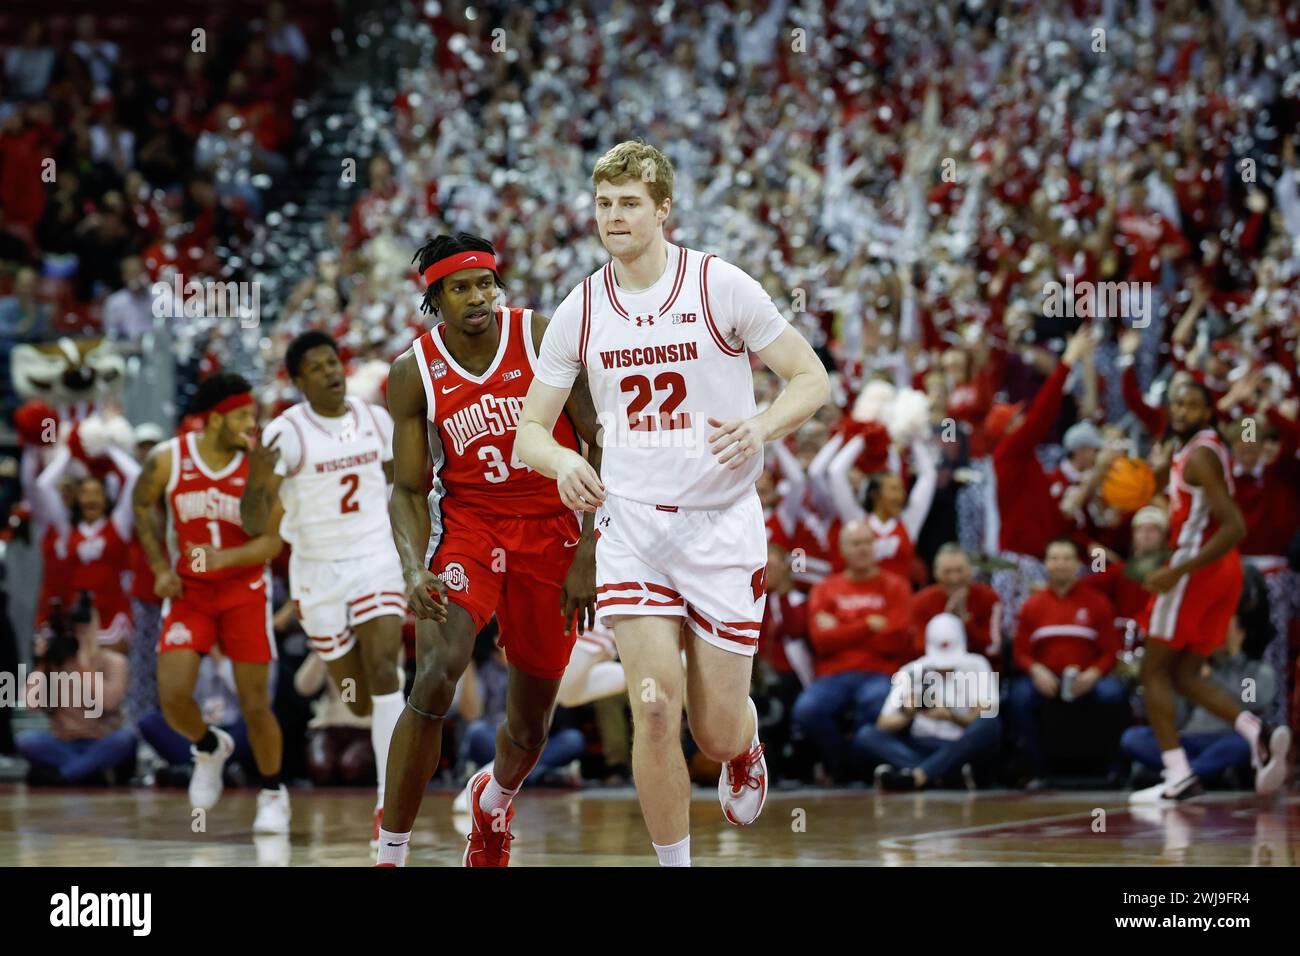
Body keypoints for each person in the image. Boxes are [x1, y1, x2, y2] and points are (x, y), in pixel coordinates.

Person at [517, 141, 829, 866]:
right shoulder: (582, 307)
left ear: (663, 209)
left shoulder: (719, 285)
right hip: (632, 530)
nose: (614, 216)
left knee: (714, 732)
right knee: (655, 707)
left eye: (629, 203)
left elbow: (811, 379)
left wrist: (758, 427)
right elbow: (530, 429)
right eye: (603, 204)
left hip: (721, 527)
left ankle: (742, 745)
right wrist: (563, 459)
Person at [376, 231, 602, 868]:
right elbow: (408, 489)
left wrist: (588, 549)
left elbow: (597, 441)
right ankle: (389, 854)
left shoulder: (538, 334)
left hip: (552, 531)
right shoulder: (411, 371)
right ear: (434, 299)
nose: (478, 297)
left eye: (485, 284)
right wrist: (414, 566)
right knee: (435, 675)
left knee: (530, 727)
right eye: (460, 287)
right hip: (469, 531)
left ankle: (493, 803)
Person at [242, 330, 405, 846]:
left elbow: (402, 489)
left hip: (376, 557)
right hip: (317, 574)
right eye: (316, 367)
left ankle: (388, 804)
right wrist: (256, 478)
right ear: (297, 381)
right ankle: (375, 740)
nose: (331, 372)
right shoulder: (286, 434)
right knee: (357, 699)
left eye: (333, 362)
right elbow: (251, 522)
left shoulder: (375, 419)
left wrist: (414, 552)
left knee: (386, 672)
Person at [131, 373, 291, 832]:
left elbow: (270, 544)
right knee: (173, 696)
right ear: (215, 418)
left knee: (255, 702)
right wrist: (161, 567)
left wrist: (224, 556)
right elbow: (143, 504)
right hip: (191, 593)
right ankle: (206, 746)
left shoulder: (259, 463)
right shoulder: (169, 459)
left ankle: (273, 792)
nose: (251, 422)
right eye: (242, 414)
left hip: (245, 591)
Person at [1132, 382, 1291, 802]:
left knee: (1152, 672)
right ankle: (1255, 731)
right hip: (1219, 572)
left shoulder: (1201, 455)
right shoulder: (1199, 451)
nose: (1182, 410)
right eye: (1178, 402)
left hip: (1196, 572)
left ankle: (1178, 774)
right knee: (1183, 673)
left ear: (1207, 413)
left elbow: (1235, 525)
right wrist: (1159, 474)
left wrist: (1176, 571)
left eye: (1192, 404)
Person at [793, 519, 913, 781]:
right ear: (843, 550)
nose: (863, 549)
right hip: (833, 673)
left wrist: (841, 626)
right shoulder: (825, 589)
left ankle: (860, 767)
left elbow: (894, 641)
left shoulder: (895, 586)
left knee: (875, 701)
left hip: (879, 671)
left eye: (868, 542)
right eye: (856, 543)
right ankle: (843, 767)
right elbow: (821, 642)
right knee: (806, 710)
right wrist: (868, 625)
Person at [1009, 537, 1127, 780]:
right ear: (1045, 564)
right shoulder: (1032, 605)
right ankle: (1036, 770)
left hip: (1086, 676)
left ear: (1077, 564)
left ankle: (1114, 768)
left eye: (1066, 558)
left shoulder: (1097, 602)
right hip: (1046, 677)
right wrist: (1036, 670)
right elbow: (1020, 652)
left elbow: (1110, 651)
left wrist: (1094, 673)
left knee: (1113, 694)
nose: (1060, 564)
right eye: (1054, 558)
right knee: (1018, 697)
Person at [1121, 609, 1277, 790]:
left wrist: (1230, 660)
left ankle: (1185, 775)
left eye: (1224, 629)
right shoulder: (1191, 670)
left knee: (1243, 745)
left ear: (1241, 635)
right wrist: (1181, 682)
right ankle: (1197, 773)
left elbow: (1249, 702)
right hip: (1188, 739)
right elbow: (1177, 717)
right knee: (1132, 738)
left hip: (1224, 738)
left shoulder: (1252, 671)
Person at [858, 613, 999, 791]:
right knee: (866, 735)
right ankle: (942, 775)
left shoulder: (977, 665)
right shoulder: (911, 671)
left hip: (959, 746)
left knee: (990, 724)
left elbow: (986, 714)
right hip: (919, 744)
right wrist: (909, 712)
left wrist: (950, 716)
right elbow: (883, 723)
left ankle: (917, 775)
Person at [32, 439, 141, 650]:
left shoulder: (118, 524)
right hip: (77, 616)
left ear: (106, 498)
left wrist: (109, 447)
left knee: (111, 678)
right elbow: (42, 485)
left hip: (112, 613)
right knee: (78, 680)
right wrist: (69, 452)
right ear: (77, 499)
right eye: (85, 493)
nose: (91, 498)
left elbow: (136, 476)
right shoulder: (67, 528)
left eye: (96, 493)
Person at [16, 592, 135, 784]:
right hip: (64, 743)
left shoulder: (114, 661)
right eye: (76, 628)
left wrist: (85, 664)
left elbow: (108, 703)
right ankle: (89, 772)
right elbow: (29, 703)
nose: (80, 632)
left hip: (102, 741)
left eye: (85, 627)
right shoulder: (58, 661)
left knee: (125, 740)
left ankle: (65, 776)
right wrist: (41, 663)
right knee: (27, 740)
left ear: (96, 627)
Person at [910, 543, 1002, 665]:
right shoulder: (920, 602)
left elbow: (993, 649)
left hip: (978, 673)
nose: (955, 578)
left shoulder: (990, 598)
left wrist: (966, 621)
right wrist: (946, 620)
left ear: (970, 571)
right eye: (947, 572)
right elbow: (917, 650)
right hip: (935, 673)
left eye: (959, 570)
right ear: (936, 574)